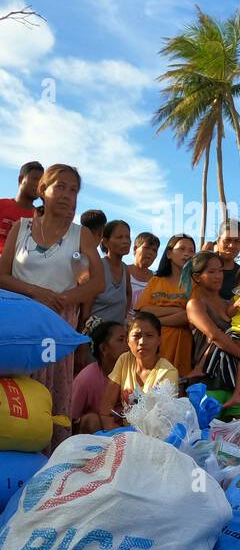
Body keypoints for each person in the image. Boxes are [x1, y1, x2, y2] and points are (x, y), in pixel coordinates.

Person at [0, 163, 104, 450]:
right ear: (42, 190)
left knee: (50, 394)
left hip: (55, 325)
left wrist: (66, 297)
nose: (67, 194)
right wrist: (36, 292)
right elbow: (2, 275)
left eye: (74, 190)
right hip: (18, 324)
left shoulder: (79, 234)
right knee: (13, 391)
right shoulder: (21, 228)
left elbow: (97, 282)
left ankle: (46, 460)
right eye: (60, 186)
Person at [188, 250, 240, 414]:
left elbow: (238, 331)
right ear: (197, 277)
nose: (218, 275)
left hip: (233, 381)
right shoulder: (195, 304)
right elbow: (214, 335)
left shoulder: (228, 304)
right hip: (208, 382)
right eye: (211, 272)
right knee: (208, 435)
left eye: (220, 270)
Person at [97, 312, 180, 428]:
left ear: (159, 340)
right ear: (128, 340)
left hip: (155, 436)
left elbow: (162, 421)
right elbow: (106, 408)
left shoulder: (168, 372)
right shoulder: (124, 360)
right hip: (126, 436)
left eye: (149, 335)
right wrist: (116, 435)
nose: (142, 342)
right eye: (136, 336)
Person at [138, 234, 196, 380]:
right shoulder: (156, 280)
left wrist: (158, 320)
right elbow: (144, 310)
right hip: (154, 345)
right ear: (169, 253)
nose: (187, 254)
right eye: (182, 249)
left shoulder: (195, 284)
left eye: (191, 250)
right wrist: (177, 311)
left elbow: (189, 317)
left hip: (182, 347)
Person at [70, 320, 128, 434]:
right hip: (100, 434)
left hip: (128, 431)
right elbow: (71, 419)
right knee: (91, 421)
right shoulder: (86, 379)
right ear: (104, 349)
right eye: (121, 340)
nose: (128, 344)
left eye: (127, 339)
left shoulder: (135, 370)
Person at [84, 219, 133, 333]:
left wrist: (123, 317)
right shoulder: (97, 266)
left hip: (115, 337)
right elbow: (85, 310)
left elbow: (128, 293)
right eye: (119, 237)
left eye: (127, 237)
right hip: (94, 336)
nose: (125, 241)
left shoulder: (125, 269)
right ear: (105, 242)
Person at [0, 161, 41, 251]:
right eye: (35, 179)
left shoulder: (40, 218)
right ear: (21, 179)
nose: (38, 185)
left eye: (41, 182)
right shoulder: (1, 205)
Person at [127, 231, 160, 310]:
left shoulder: (158, 279)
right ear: (135, 248)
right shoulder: (122, 271)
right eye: (147, 248)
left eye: (154, 250)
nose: (150, 252)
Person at [215, 220, 240, 299]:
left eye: (237, 241)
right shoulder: (204, 269)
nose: (232, 246)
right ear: (218, 241)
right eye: (227, 240)